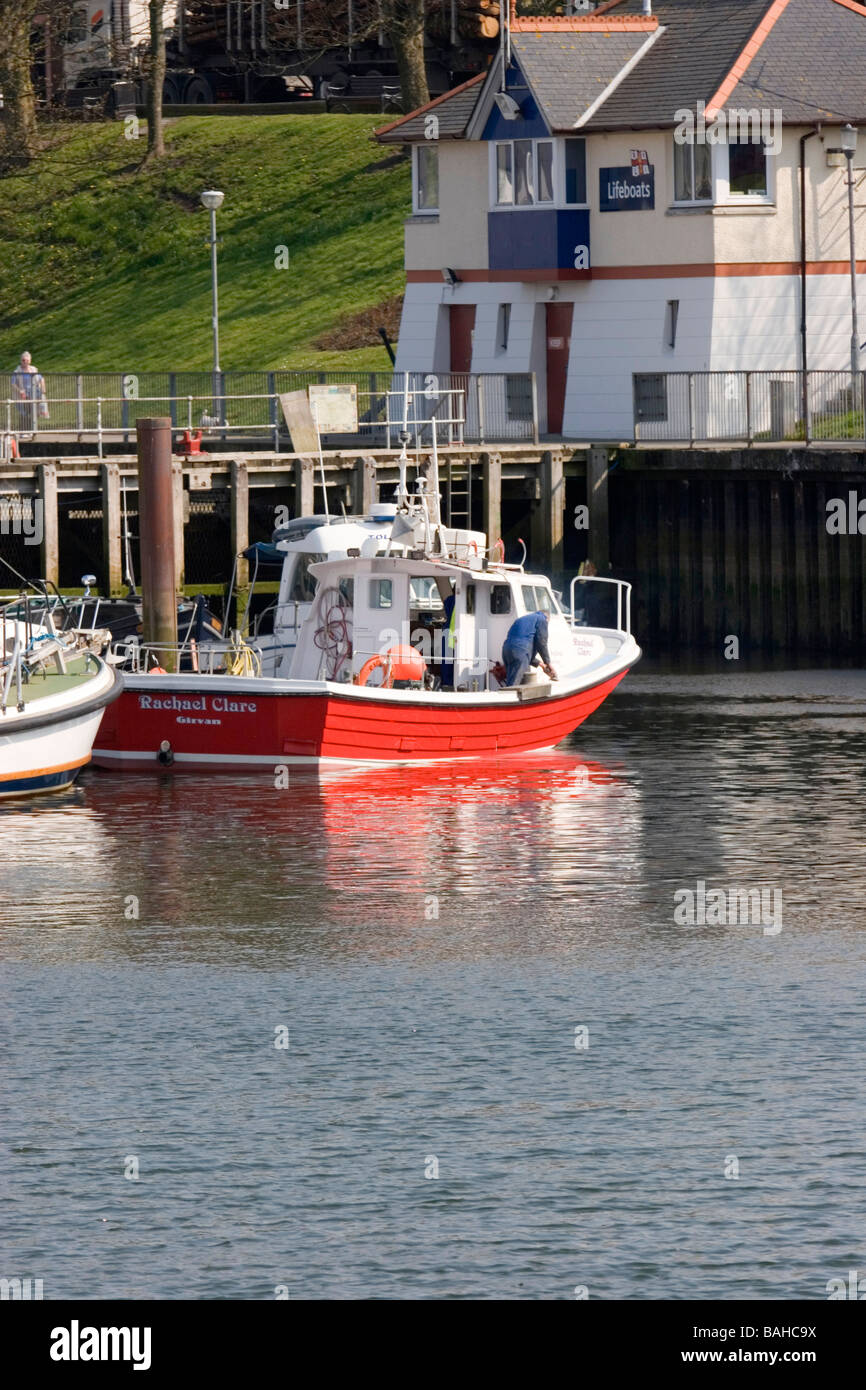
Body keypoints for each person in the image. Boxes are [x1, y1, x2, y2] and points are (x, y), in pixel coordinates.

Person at [501, 610, 558, 687]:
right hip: (520, 650)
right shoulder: (542, 619)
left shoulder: (521, 619)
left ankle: (507, 696)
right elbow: (542, 643)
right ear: (547, 619)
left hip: (506, 649)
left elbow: (524, 651)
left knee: (510, 680)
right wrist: (548, 663)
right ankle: (509, 696)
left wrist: (542, 665)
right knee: (514, 684)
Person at [11, 352, 47, 434]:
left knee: (33, 412)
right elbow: (13, 383)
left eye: (27, 360)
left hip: (33, 394)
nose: (25, 362)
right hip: (22, 395)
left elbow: (41, 378)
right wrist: (19, 390)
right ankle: (23, 432)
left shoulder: (33, 369)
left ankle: (32, 431)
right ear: (21, 361)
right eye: (23, 360)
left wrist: (43, 388)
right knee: (24, 413)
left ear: (30, 361)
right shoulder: (17, 371)